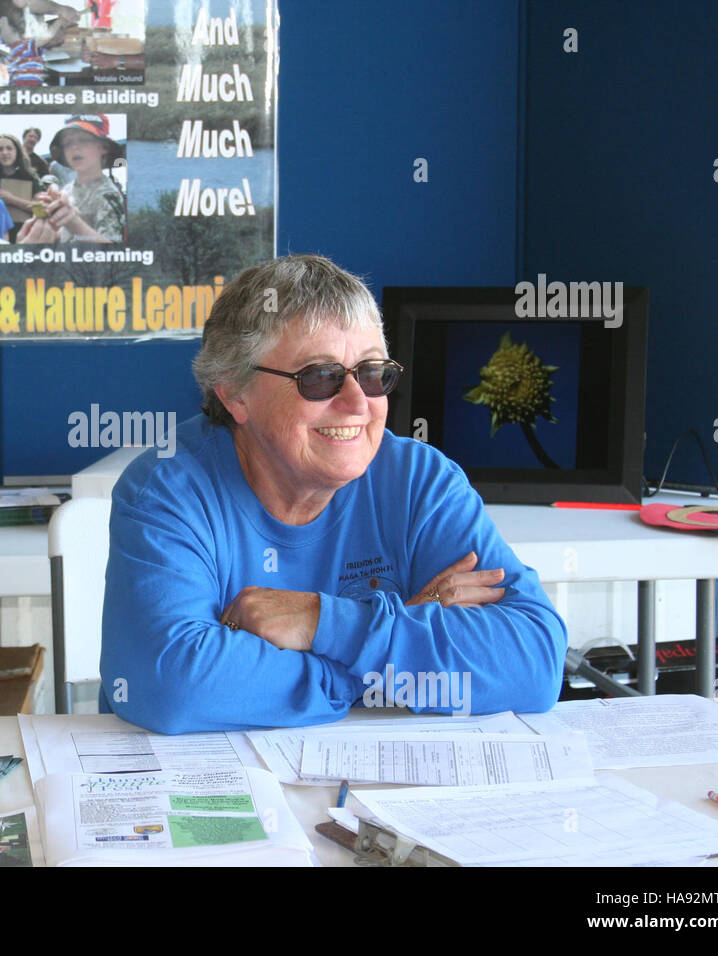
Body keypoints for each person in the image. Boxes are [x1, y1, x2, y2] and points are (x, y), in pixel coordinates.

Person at [98, 255, 567, 733]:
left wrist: (321, 622)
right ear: (235, 394)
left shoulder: (419, 480)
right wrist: (393, 645)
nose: (359, 402)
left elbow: (534, 665)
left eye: (372, 372)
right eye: (319, 377)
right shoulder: (165, 490)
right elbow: (175, 687)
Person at [17, 114, 123, 243]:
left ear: (104, 147)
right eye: (67, 143)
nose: (74, 147)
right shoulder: (67, 188)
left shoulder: (109, 195)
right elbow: (67, 236)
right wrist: (49, 225)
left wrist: (74, 223)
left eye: (83, 140)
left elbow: (113, 251)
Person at [0, 133, 43, 242]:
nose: (5, 153)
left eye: (9, 148)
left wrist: (12, 200)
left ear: (17, 151)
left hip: (26, 235)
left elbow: (41, 210)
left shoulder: (31, 178)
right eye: (0, 149)